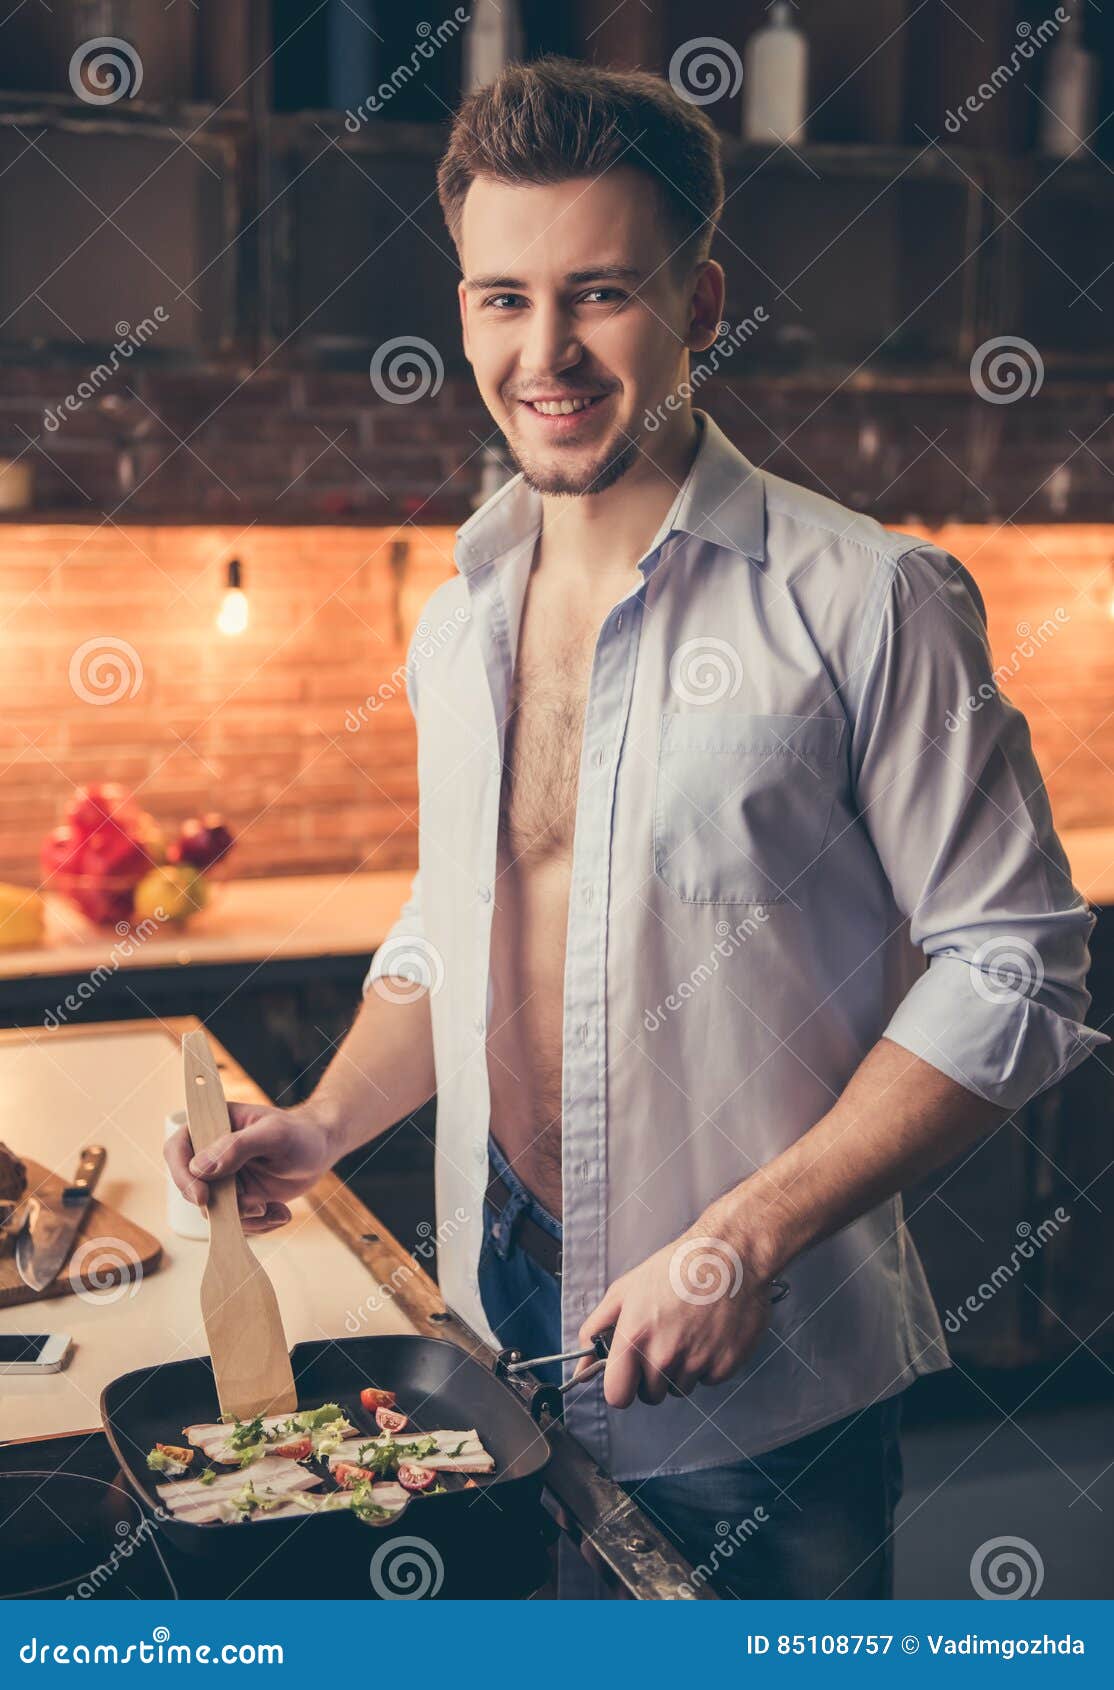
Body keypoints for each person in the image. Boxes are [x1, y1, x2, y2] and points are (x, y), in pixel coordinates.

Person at [167, 57, 1105, 1599]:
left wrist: (748, 1232)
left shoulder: (863, 598)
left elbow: (1013, 964)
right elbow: (452, 920)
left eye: (599, 294)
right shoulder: (458, 612)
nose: (544, 352)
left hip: (763, 1374)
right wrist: (326, 1123)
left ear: (702, 302)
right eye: (499, 298)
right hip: (493, 1319)